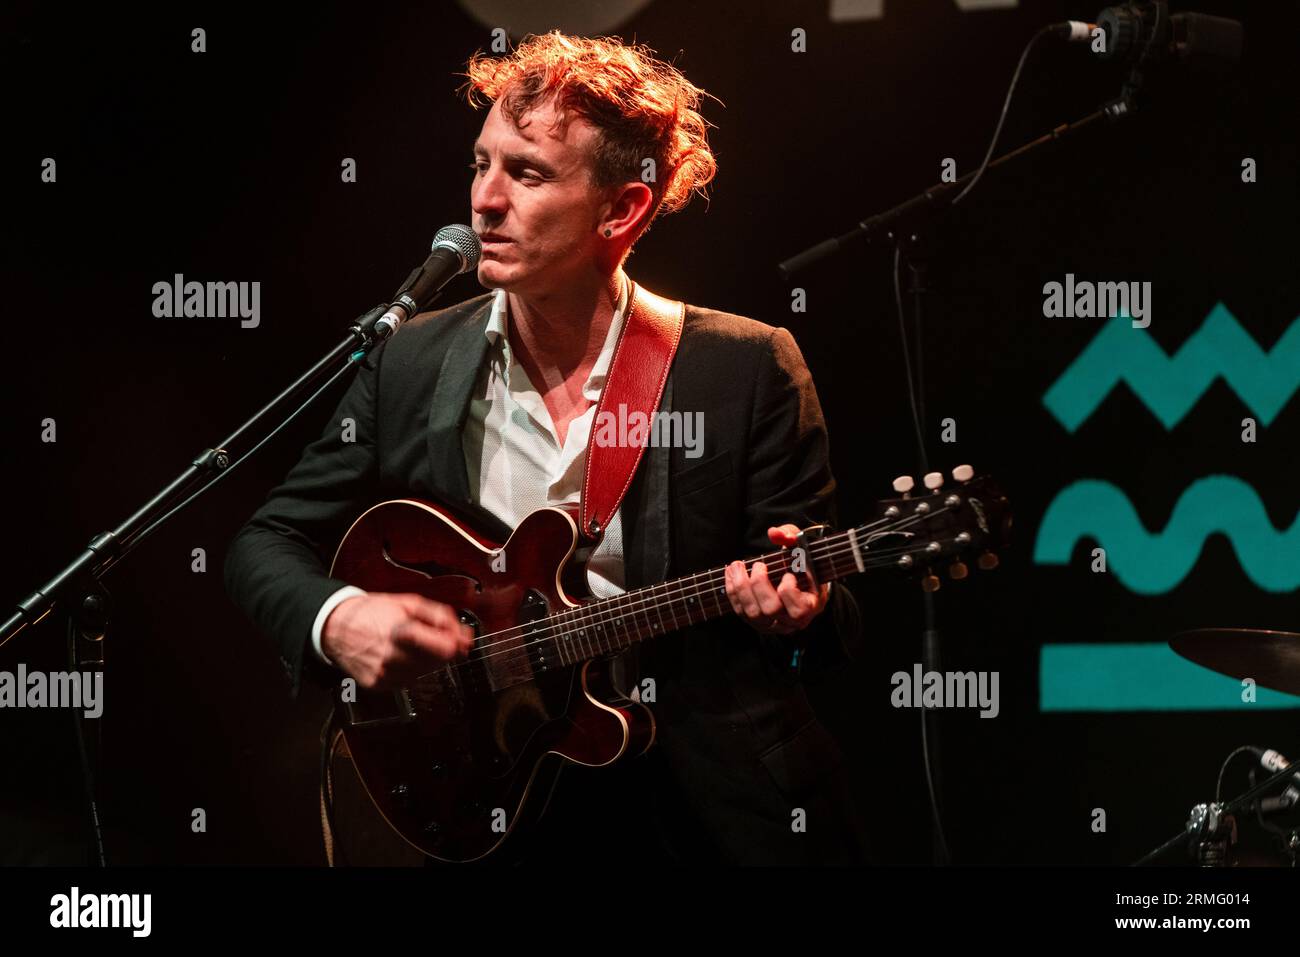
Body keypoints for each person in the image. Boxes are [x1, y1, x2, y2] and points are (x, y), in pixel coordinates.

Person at [224, 30, 869, 865]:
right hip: (495, 802)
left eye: (526, 174)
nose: (483, 202)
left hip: (702, 805)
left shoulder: (743, 369)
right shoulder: (411, 358)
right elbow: (263, 541)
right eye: (480, 164)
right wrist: (337, 618)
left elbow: (830, 618)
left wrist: (802, 611)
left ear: (621, 209)